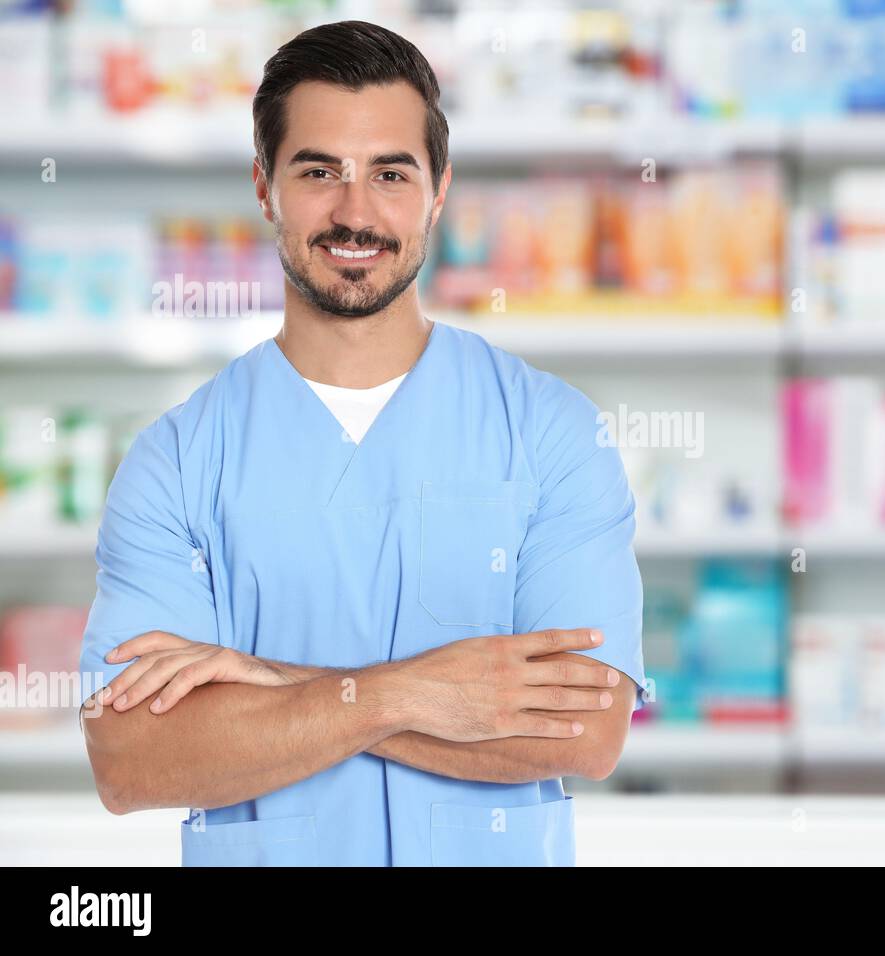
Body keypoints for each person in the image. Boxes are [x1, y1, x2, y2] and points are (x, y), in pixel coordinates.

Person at [77, 20, 646, 867]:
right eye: (318, 172)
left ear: (438, 191)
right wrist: (417, 694)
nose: (355, 211)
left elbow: (584, 731)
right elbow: (132, 759)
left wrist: (267, 688)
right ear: (265, 187)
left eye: (390, 173)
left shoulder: (551, 433)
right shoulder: (177, 463)